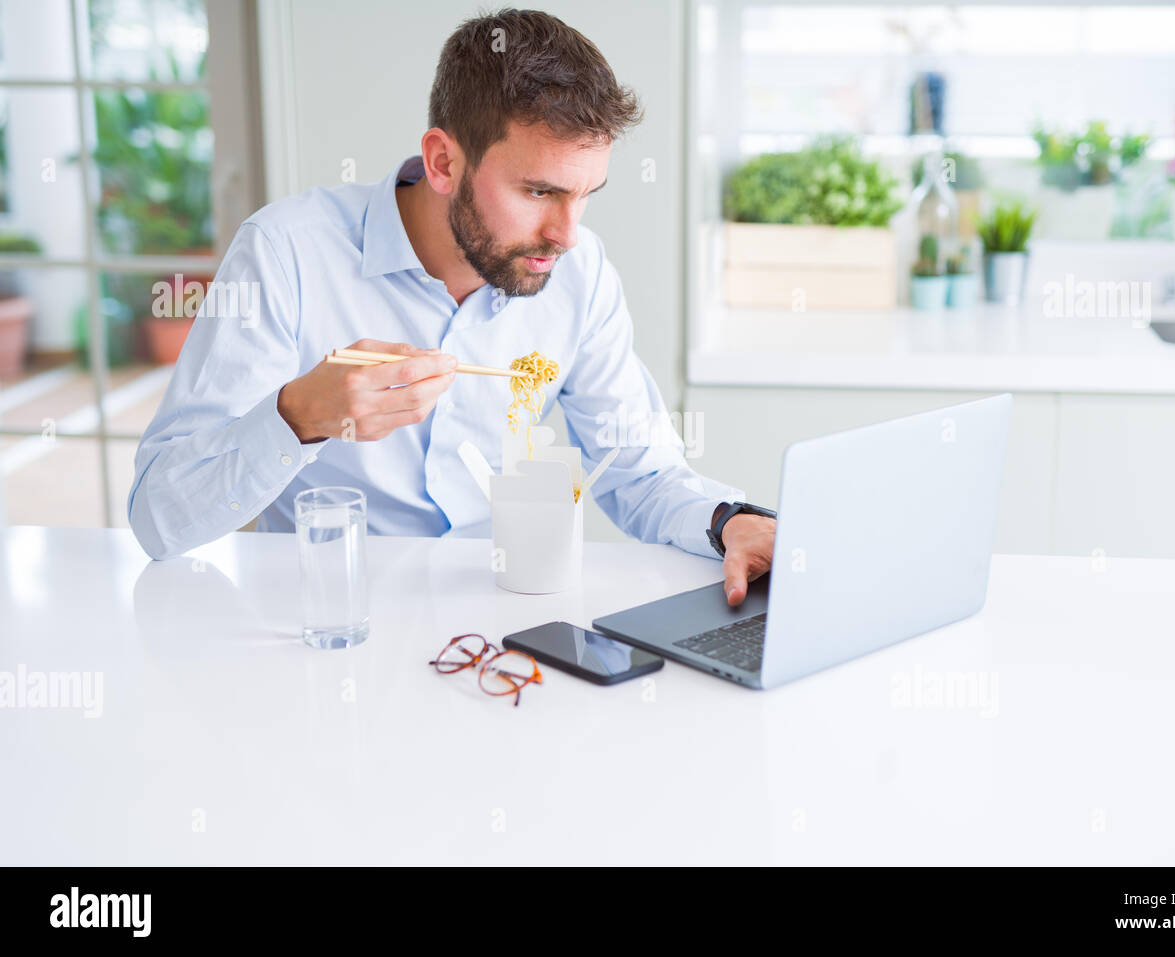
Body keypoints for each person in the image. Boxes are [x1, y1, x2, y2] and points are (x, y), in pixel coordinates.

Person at [129, 8, 774, 607]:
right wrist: (299, 416)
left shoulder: (579, 273)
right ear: (443, 161)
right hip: (331, 621)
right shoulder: (285, 254)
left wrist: (729, 522)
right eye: (538, 192)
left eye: (584, 196)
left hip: (497, 624)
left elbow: (640, 471)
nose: (566, 235)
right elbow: (158, 519)